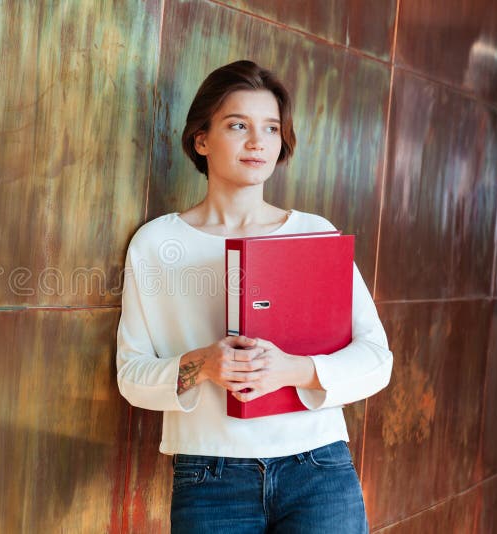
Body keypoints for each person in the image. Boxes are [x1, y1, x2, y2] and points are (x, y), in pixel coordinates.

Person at [116, 60, 393, 533]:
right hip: (210, 477)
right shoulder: (156, 244)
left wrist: (294, 369)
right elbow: (131, 375)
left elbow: (376, 360)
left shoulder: (314, 234)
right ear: (201, 139)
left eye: (270, 128)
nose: (257, 141)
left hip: (319, 472)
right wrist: (203, 364)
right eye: (237, 125)